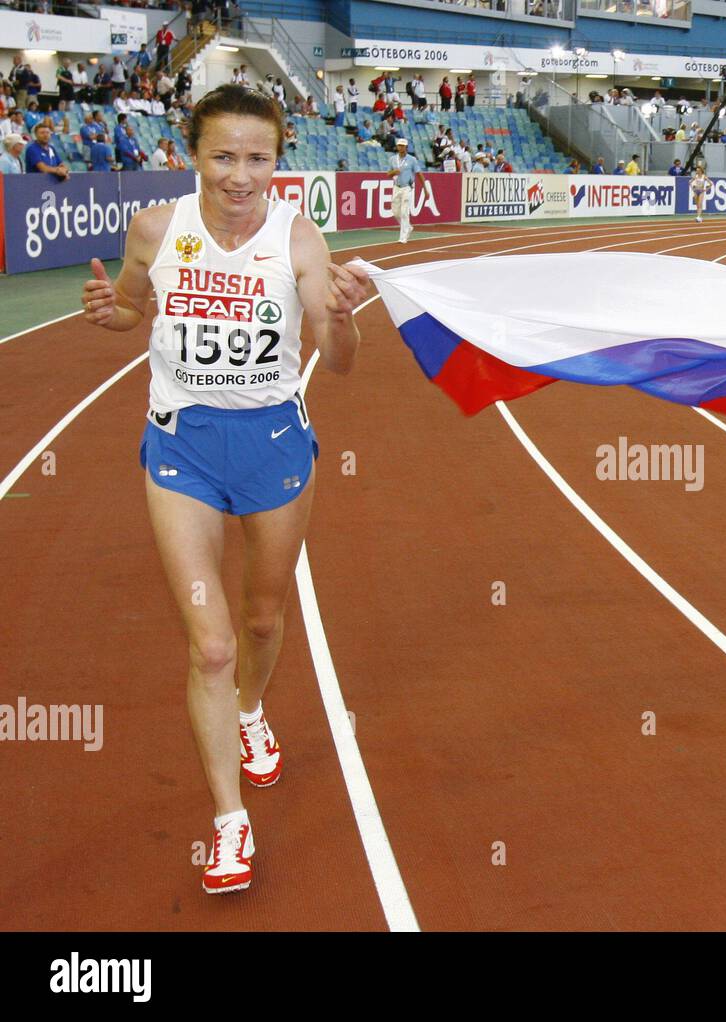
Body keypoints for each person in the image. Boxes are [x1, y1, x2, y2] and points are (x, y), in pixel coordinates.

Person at [80, 84, 367, 896]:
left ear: (278, 160)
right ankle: (229, 823)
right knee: (209, 643)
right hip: (182, 449)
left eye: (259, 158)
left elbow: (336, 359)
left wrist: (343, 317)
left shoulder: (298, 240)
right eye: (223, 157)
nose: (241, 176)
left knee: (262, 618)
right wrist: (112, 313)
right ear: (191, 154)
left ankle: (250, 711)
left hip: (274, 444)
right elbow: (133, 308)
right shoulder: (156, 230)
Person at [388, 137, 420, 244]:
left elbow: (418, 173)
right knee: (395, 212)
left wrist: (425, 189)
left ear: (406, 147)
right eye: (399, 145)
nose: (400, 147)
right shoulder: (392, 159)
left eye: (402, 145)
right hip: (397, 187)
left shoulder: (412, 159)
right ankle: (408, 227)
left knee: (404, 212)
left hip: (407, 187)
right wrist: (394, 172)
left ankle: (403, 237)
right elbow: (388, 174)